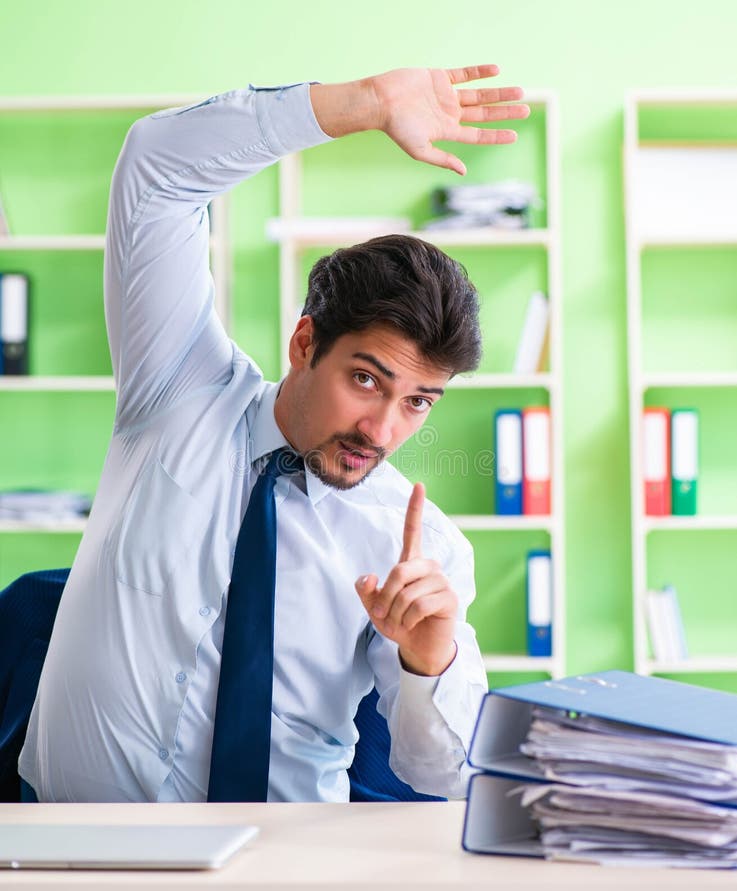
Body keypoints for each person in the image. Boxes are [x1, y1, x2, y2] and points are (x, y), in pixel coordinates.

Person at [18, 65, 530, 802]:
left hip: (285, 863)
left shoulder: (416, 548)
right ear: (303, 343)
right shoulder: (178, 394)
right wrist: (367, 104)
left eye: (419, 402)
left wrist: (429, 660)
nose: (382, 429)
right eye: (366, 380)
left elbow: (444, 777)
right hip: (80, 848)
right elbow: (155, 167)